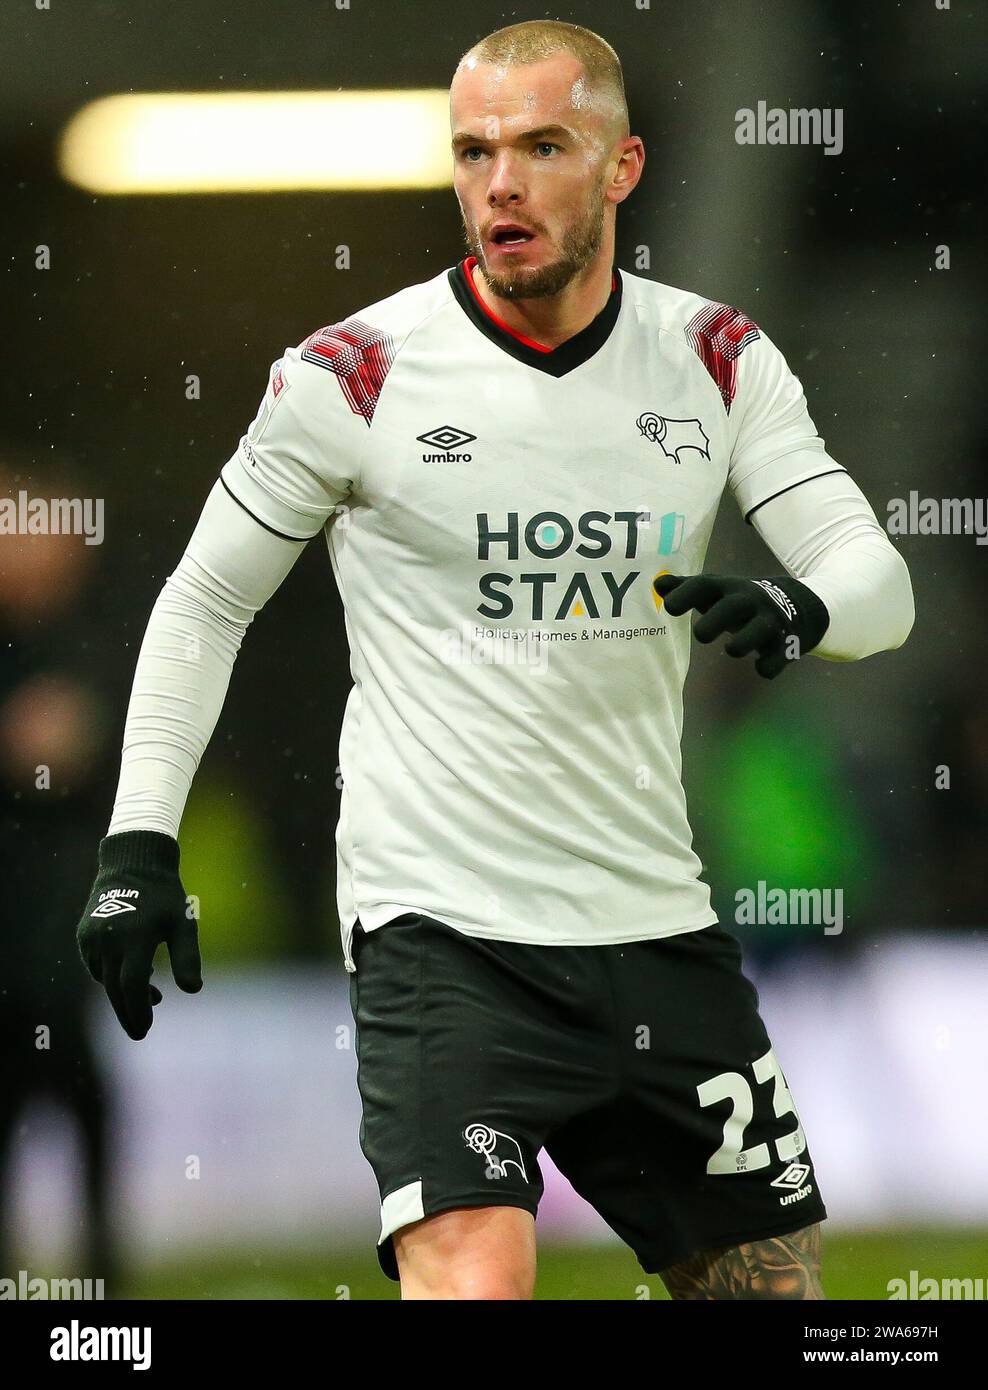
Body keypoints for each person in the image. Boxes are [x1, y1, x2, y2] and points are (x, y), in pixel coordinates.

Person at [75, 19, 914, 1299]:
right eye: (472, 151)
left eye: (541, 146)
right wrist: (139, 845)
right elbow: (201, 606)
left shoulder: (715, 360)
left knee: (774, 1300)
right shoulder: (349, 377)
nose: (500, 183)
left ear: (623, 167)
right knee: (475, 1279)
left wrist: (802, 609)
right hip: (443, 933)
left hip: (654, 922)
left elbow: (879, 585)